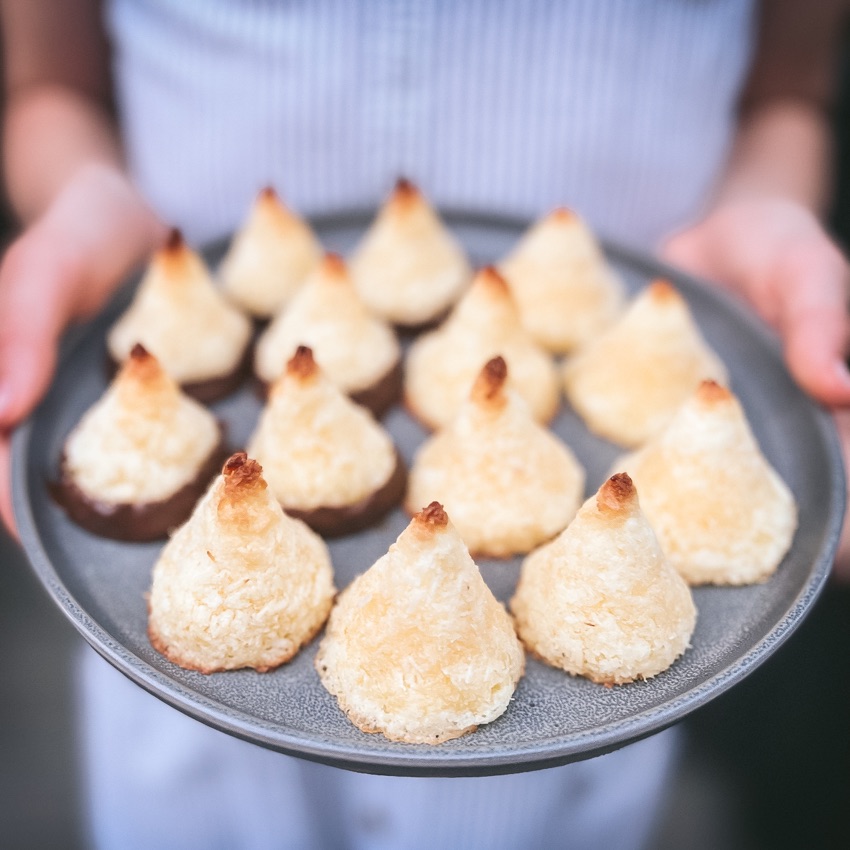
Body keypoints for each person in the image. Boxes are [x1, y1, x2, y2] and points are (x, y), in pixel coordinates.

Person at [0, 1, 849, 848]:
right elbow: (47, 83)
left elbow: (789, 94)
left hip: (579, 727)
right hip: (185, 728)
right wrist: (78, 199)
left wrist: (767, 219)